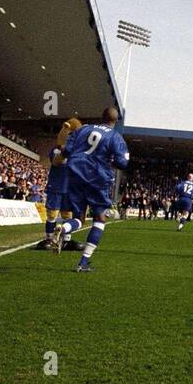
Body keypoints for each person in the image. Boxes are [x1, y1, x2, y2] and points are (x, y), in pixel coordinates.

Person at [50, 108, 130, 272]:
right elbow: (123, 163)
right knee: (99, 219)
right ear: (116, 121)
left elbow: (66, 150)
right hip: (97, 179)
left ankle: (63, 228)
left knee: (79, 217)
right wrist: (110, 160)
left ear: (101, 117)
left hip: (75, 176)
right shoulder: (115, 137)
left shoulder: (83, 129)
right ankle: (83, 263)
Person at [36, 117, 80, 251]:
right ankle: (49, 238)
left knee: (68, 215)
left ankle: (66, 240)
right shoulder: (56, 150)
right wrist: (65, 152)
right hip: (56, 186)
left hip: (70, 188)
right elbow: (56, 162)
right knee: (52, 214)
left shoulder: (78, 152)